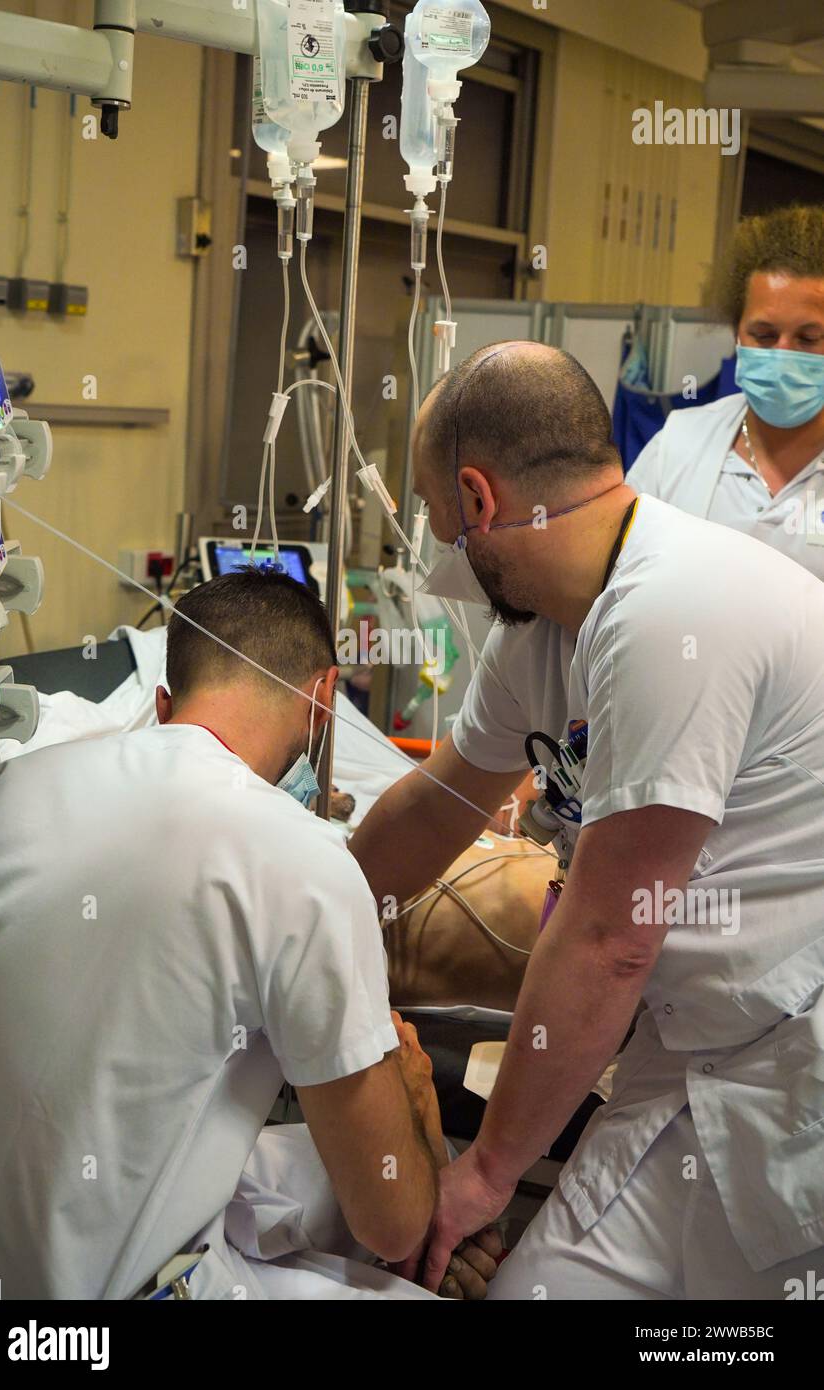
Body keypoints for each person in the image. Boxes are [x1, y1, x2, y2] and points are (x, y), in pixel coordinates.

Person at [349, 340, 824, 1300]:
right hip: (693, 1042)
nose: (434, 535)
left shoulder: (670, 612)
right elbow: (434, 807)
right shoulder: (551, 629)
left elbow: (610, 939)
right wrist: (311, 912)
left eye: (432, 510)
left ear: (477, 501)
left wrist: (482, 1175)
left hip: (788, 1059)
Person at [0, 568, 498, 1300]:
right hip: (92, 1309)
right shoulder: (304, 861)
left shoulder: (3, 790)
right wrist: (419, 1110)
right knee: (412, 1216)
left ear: (160, 704)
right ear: (324, 700)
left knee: (315, 1167)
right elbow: (394, 1225)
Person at [627, 203, 824, 577]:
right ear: (737, 334)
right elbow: (620, 573)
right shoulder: (678, 443)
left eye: (808, 338)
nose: (782, 355)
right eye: (764, 336)